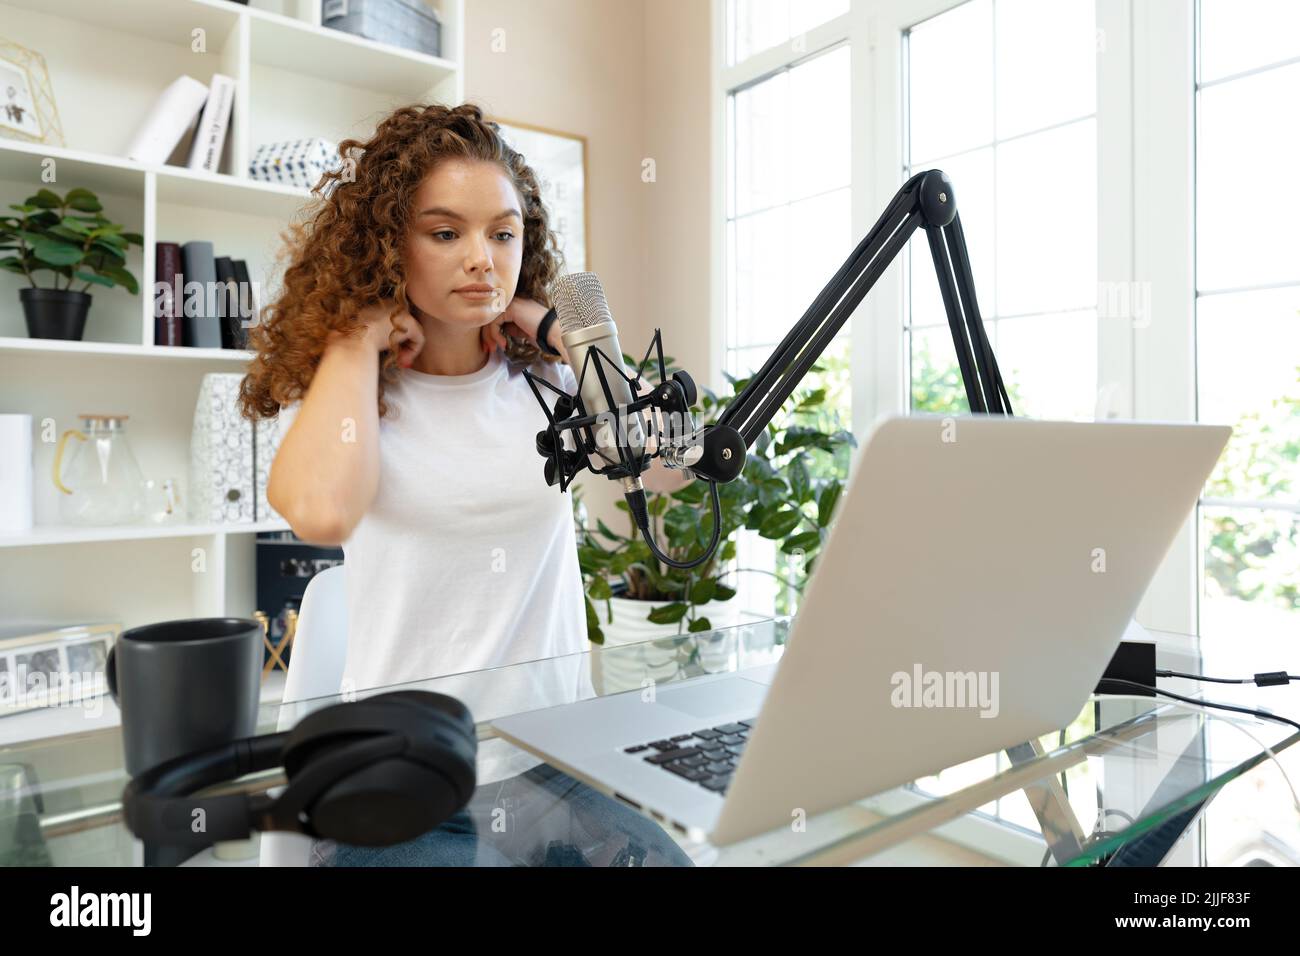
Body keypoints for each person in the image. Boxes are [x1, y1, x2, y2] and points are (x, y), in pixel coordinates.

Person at [238, 102, 693, 867]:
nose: (482, 257)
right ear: (389, 244)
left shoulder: (549, 382)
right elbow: (320, 511)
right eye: (446, 233)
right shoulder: (357, 390)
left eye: (502, 232)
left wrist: (553, 326)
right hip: (405, 781)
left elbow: (669, 456)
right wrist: (359, 334)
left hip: (556, 766)